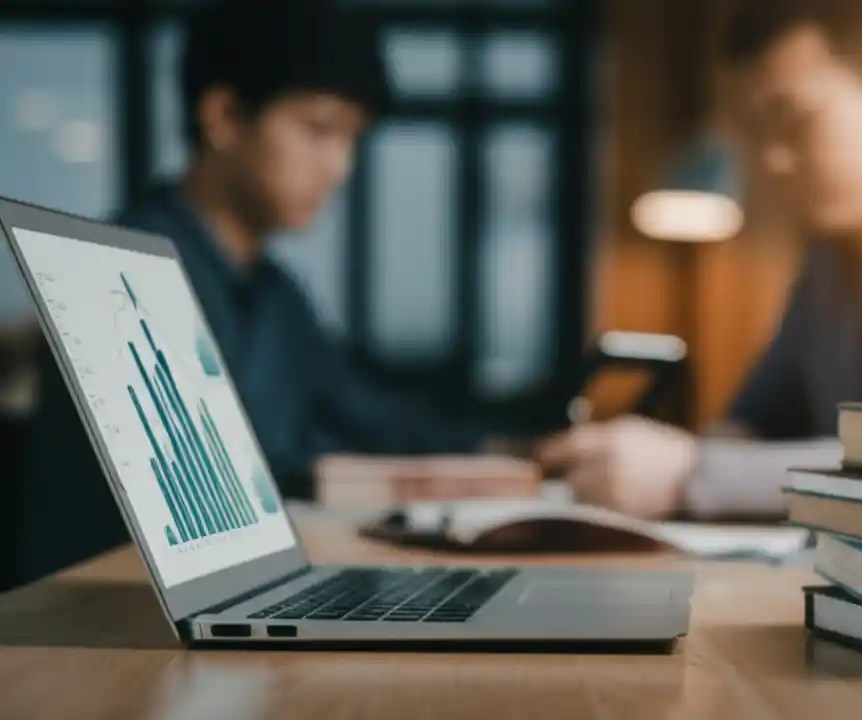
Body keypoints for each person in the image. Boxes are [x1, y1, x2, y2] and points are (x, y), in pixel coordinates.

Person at [22, 0, 508, 580]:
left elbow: (370, 415)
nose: (340, 166)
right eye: (318, 129)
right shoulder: (122, 277)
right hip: (111, 613)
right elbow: (216, 484)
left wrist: (517, 450)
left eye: (353, 138)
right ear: (224, 116)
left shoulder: (277, 294)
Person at [540, 0, 862, 520]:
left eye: (794, 121)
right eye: (754, 134)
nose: (772, 161)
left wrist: (693, 476)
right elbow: (755, 422)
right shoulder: (834, 249)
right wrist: (638, 455)